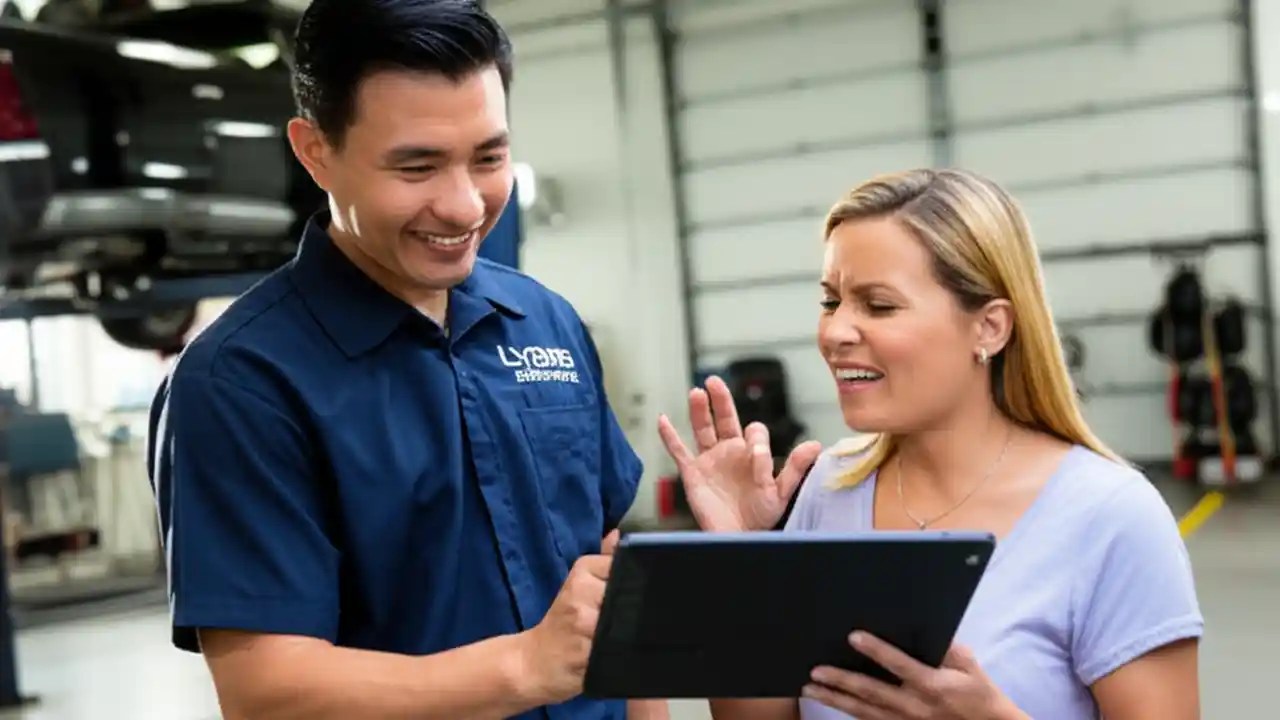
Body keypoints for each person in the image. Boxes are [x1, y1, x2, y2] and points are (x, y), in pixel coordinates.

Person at [145, 2, 668, 719]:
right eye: (416, 166)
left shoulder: (545, 321)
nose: (462, 206)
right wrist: (523, 665)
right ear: (314, 150)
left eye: (489, 157)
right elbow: (268, 694)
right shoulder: (239, 384)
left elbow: (609, 583)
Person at [659, 168, 1202, 720]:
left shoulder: (1110, 516)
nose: (835, 332)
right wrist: (738, 567)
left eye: (878, 305)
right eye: (831, 302)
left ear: (989, 328)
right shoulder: (827, 489)